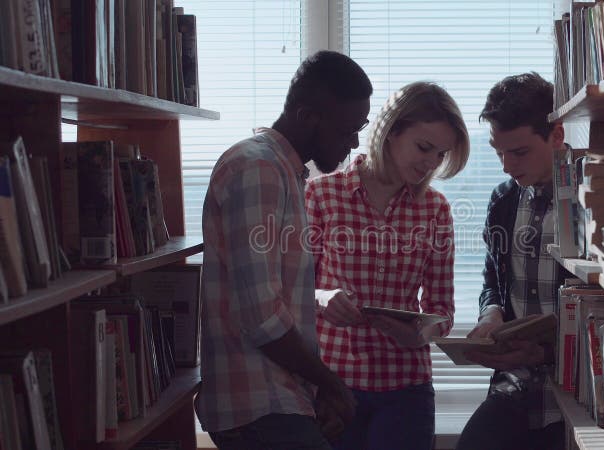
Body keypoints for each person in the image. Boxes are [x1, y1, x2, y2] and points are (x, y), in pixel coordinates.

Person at [195, 50, 373, 450]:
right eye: (349, 129)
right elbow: (261, 317)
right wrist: (332, 386)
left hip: (276, 403)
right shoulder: (259, 168)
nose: (356, 141)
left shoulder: (285, 172)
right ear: (310, 117)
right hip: (259, 408)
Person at [305, 81, 471, 450]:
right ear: (390, 131)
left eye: (441, 154)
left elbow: (442, 310)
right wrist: (322, 298)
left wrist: (421, 333)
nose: (431, 162)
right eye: (424, 147)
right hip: (334, 385)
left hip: (406, 390)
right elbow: (294, 289)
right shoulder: (321, 194)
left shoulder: (436, 209)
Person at [455, 72, 570, 450]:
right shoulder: (503, 200)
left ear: (557, 135)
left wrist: (546, 351)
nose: (506, 165)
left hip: (576, 390)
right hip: (516, 386)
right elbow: (492, 281)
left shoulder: (587, 201)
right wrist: (491, 315)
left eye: (518, 152)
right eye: (498, 151)